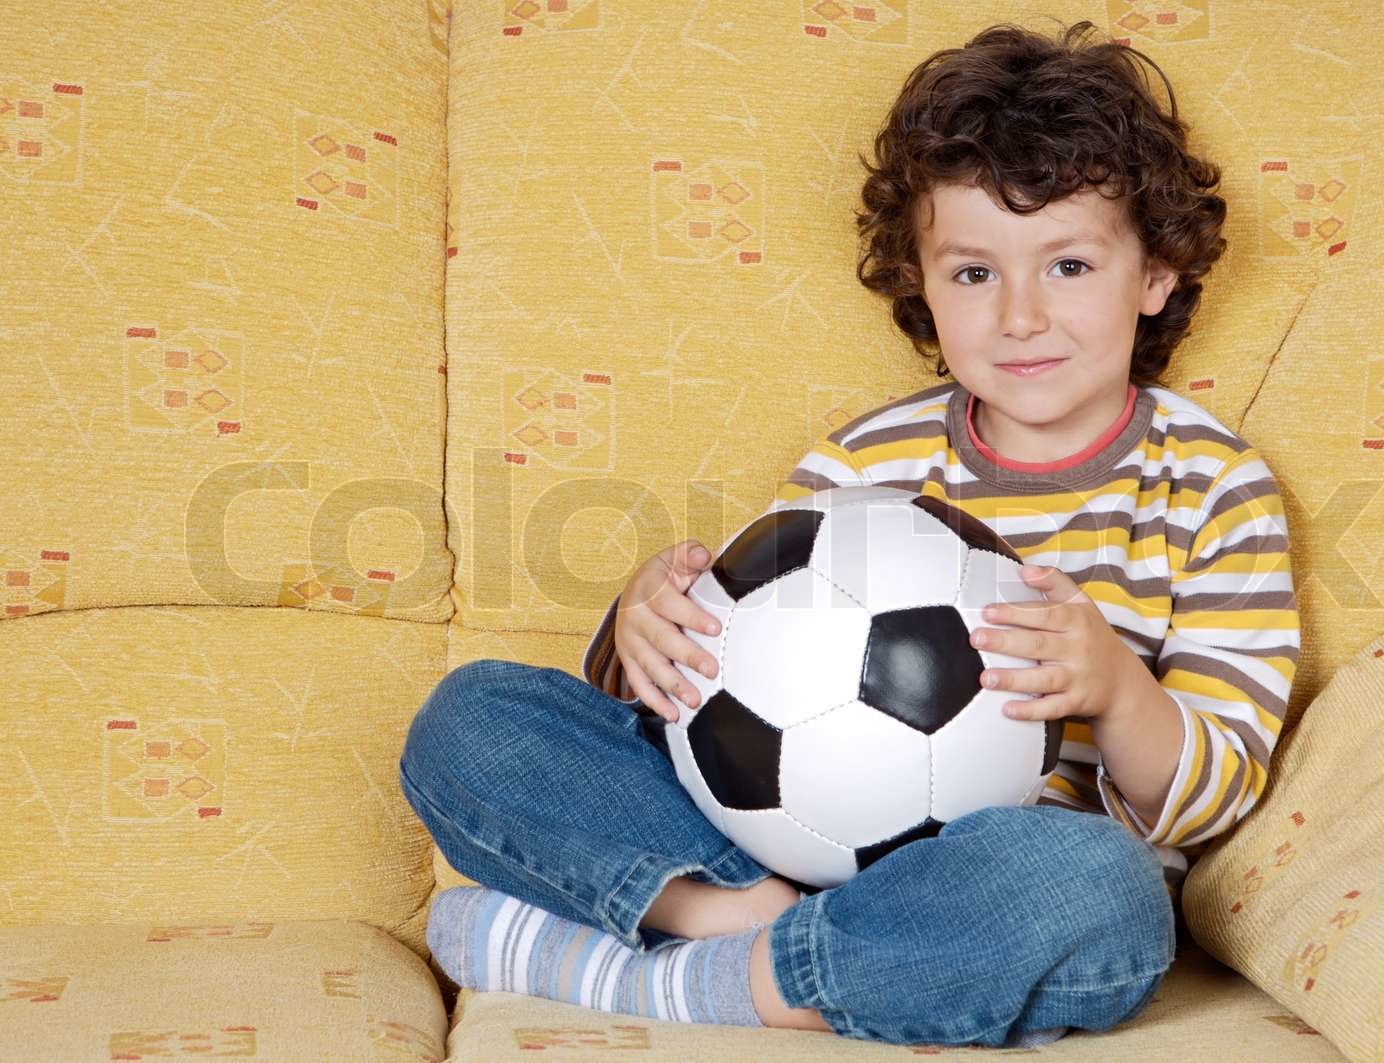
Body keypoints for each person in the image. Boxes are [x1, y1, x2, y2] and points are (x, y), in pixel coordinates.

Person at [398, 19, 1300, 1049]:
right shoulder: (865, 461)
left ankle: (687, 980)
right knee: (474, 718)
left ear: (1156, 275)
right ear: (919, 282)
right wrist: (643, 636)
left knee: (1104, 899)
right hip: (775, 857)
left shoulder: (1214, 488)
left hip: (1009, 882)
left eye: (1068, 266)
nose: (1019, 315)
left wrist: (1114, 687)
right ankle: (733, 921)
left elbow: (1214, 793)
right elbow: (730, 701)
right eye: (973, 274)